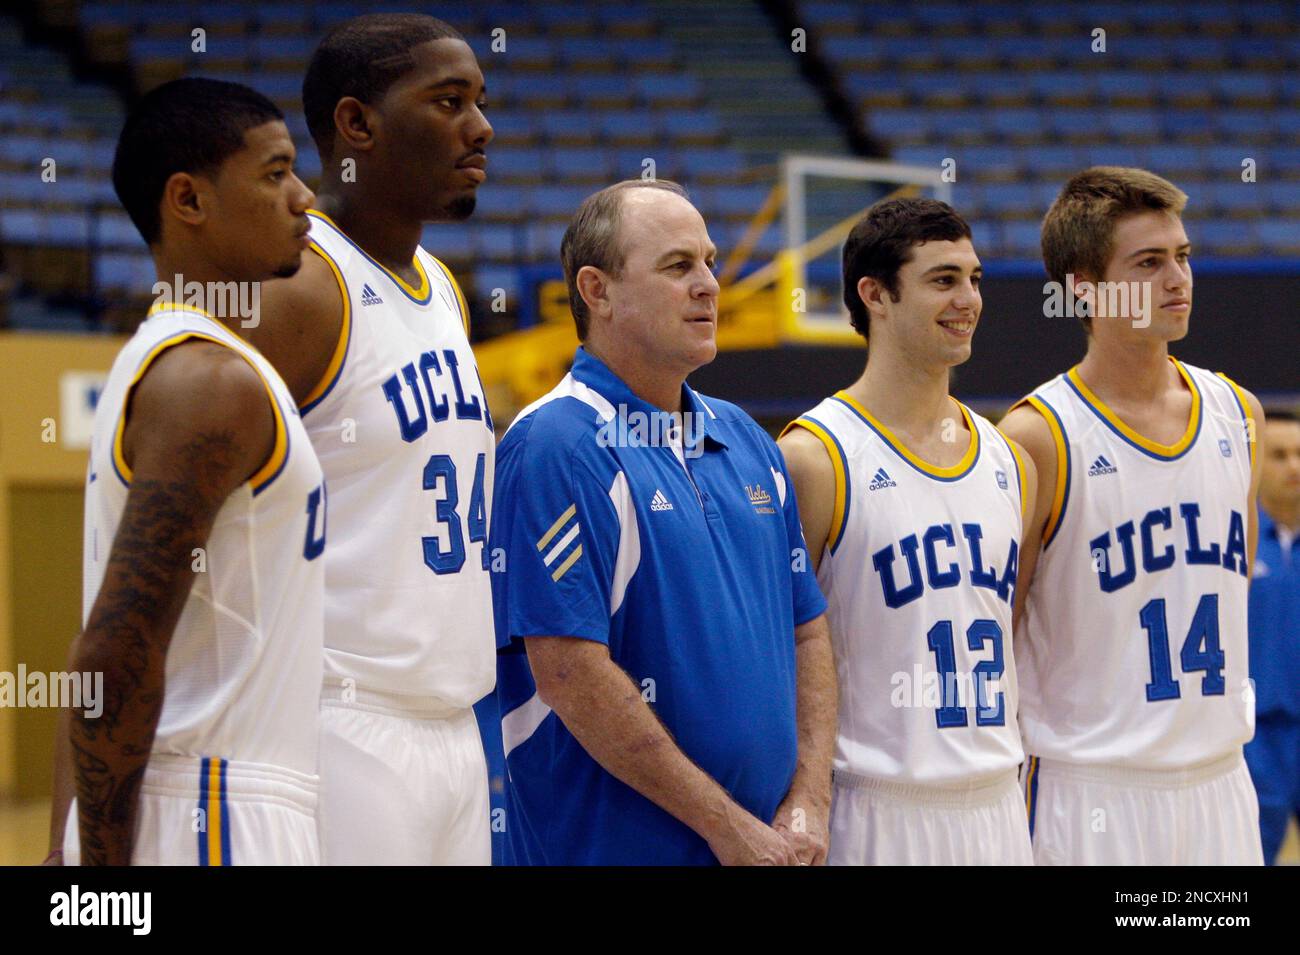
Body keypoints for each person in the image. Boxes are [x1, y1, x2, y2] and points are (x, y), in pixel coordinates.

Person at [490, 179, 836, 865]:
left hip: (764, 847)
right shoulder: (556, 443)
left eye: (708, 260)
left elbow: (808, 628)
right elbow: (570, 674)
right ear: (597, 290)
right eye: (679, 266)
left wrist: (809, 798)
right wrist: (725, 824)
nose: (710, 283)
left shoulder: (746, 438)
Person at [249, 13, 496, 865]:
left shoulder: (443, 289)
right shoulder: (298, 289)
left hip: (458, 723)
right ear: (356, 125)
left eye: (481, 101)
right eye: (449, 101)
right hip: (340, 719)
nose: (481, 126)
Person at [59, 77, 323, 865]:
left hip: (221, 802)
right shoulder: (209, 384)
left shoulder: (190, 363)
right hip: (208, 811)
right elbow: (116, 646)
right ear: (188, 200)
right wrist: (103, 882)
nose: (304, 196)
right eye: (275, 173)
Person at [1000, 166, 1265, 865]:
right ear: (1084, 287)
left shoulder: (1240, 414)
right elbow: (996, 624)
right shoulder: (1038, 438)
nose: (1178, 278)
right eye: (1148, 263)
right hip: (1091, 792)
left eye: (1181, 256)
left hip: (1220, 781)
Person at [779, 197, 1036, 865]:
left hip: (997, 806)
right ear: (876, 295)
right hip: (875, 806)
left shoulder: (1011, 460)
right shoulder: (815, 456)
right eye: (943, 279)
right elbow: (777, 654)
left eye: (974, 278)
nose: (969, 299)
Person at [1244, 409, 1300, 863]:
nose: (1294, 467)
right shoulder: (1232, 541)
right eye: (1279, 455)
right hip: (1254, 736)